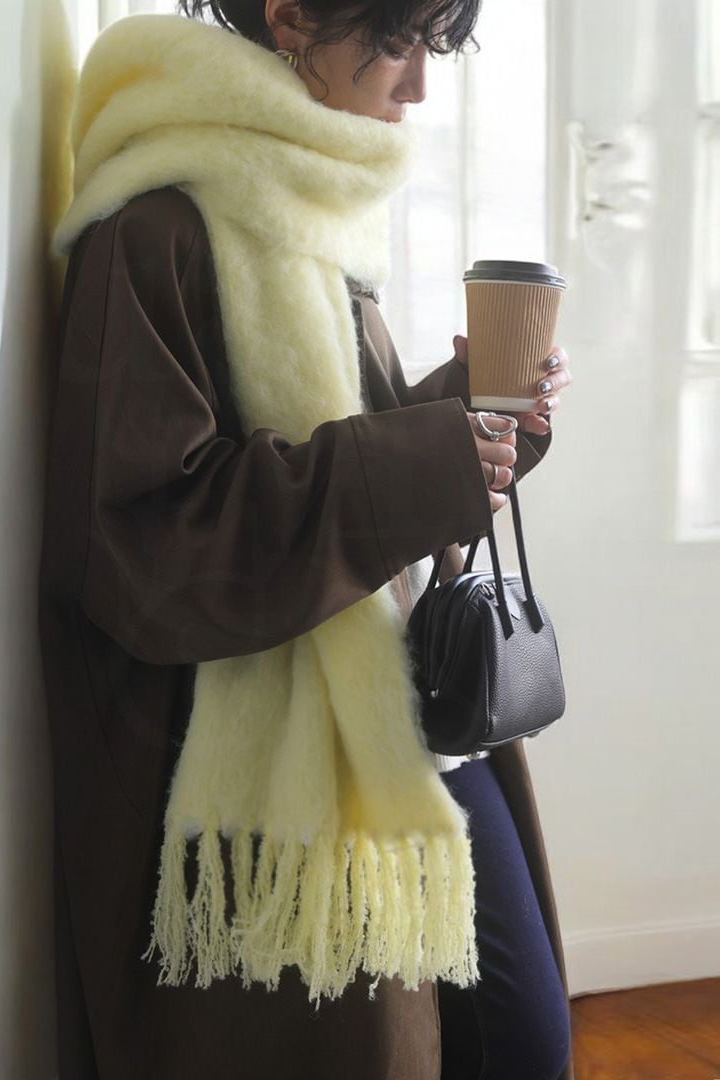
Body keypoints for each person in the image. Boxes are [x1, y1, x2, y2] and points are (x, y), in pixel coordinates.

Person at [37, 1, 575, 1077]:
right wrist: (422, 462)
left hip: (399, 705)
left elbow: (342, 438)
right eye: (397, 43)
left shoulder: (307, 200)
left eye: (433, 46)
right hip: (265, 771)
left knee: (524, 1039)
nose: (418, 86)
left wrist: (465, 413)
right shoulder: (155, 226)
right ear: (291, 15)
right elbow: (142, 545)